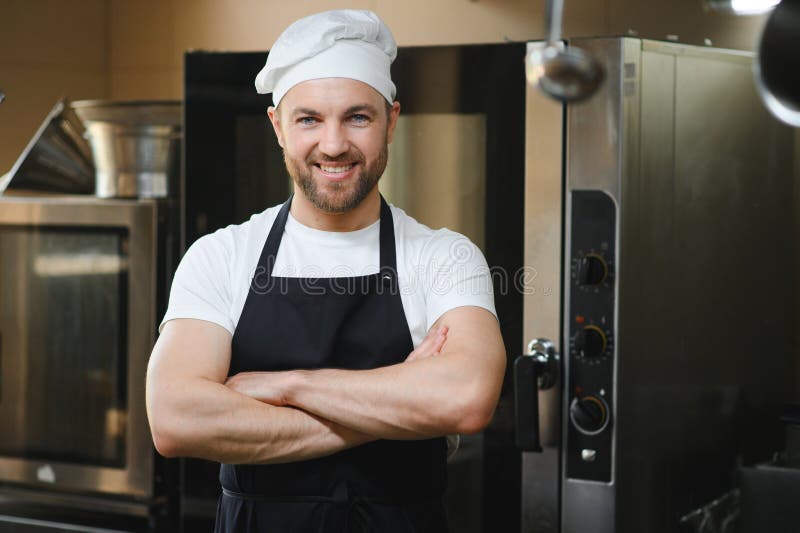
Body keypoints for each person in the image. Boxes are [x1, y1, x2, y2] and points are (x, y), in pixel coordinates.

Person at [145, 9, 506, 532]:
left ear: (392, 121)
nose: (333, 144)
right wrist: (397, 403)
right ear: (278, 126)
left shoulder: (444, 256)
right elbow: (175, 419)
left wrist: (285, 384)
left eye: (357, 117)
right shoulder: (221, 255)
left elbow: (466, 399)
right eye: (309, 118)